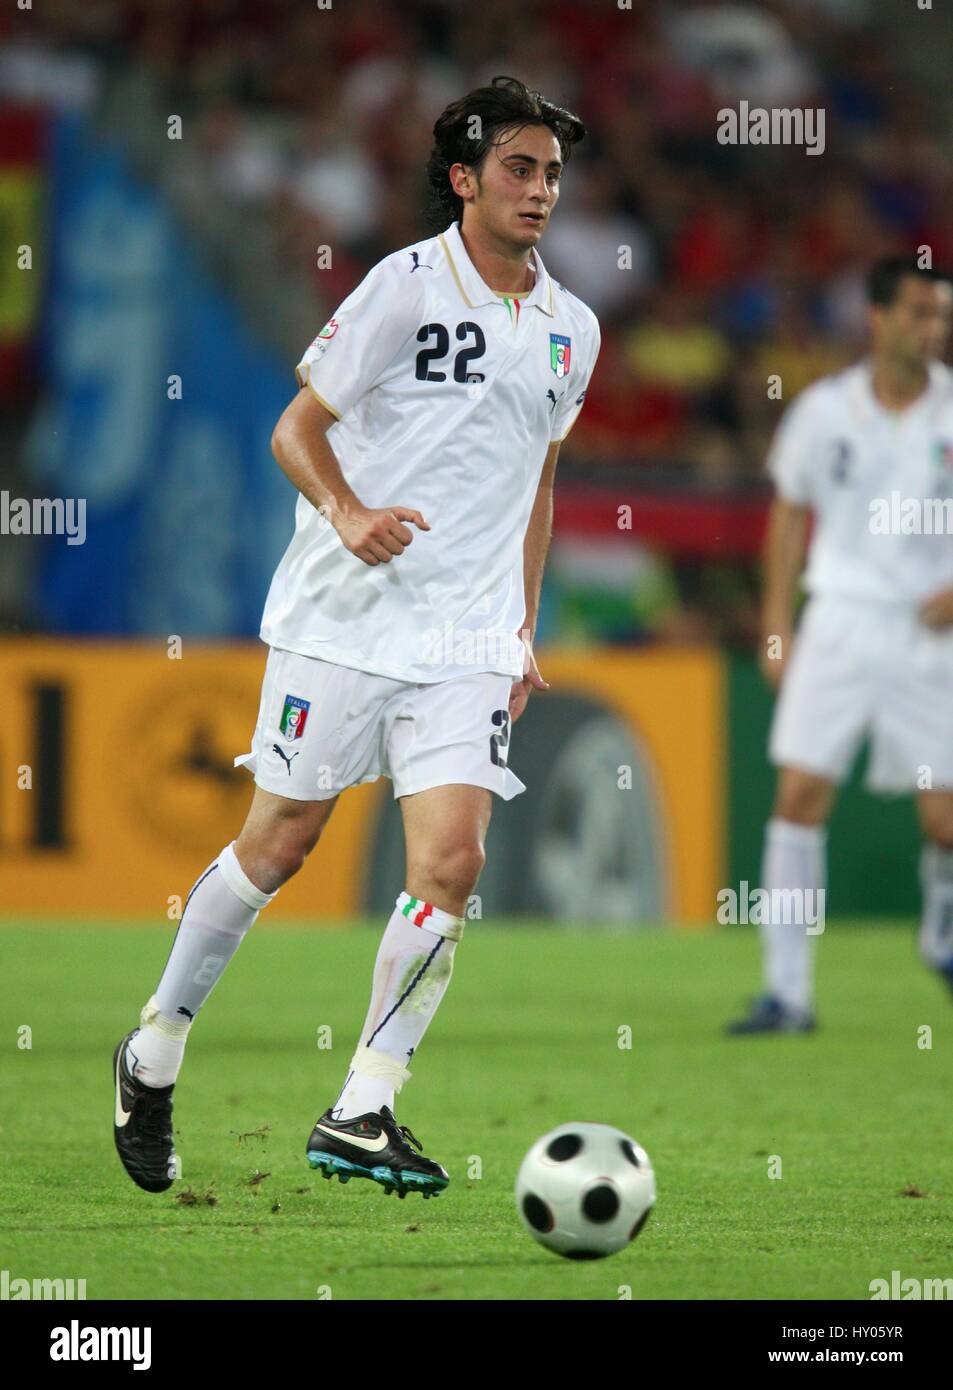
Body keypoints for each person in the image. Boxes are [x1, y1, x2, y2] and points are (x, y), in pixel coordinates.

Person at [113, 76, 601, 1196]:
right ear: (465, 178)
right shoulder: (401, 287)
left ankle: (364, 1105)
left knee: (453, 860)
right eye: (520, 170)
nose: (541, 191)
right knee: (279, 844)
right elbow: (297, 426)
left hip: (467, 639)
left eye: (554, 174)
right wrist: (347, 513)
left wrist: (520, 624)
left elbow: (539, 478)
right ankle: (154, 1049)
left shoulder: (570, 329)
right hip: (345, 617)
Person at [728, 256, 953, 1034]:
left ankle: (940, 932)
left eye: (940, 318)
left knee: (944, 823)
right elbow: (788, 514)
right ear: (879, 318)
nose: (932, 330)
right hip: (840, 619)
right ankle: (786, 993)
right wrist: (775, 624)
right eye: (919, 314)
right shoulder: (824, 410)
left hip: (932, 634)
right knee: (797, 798)